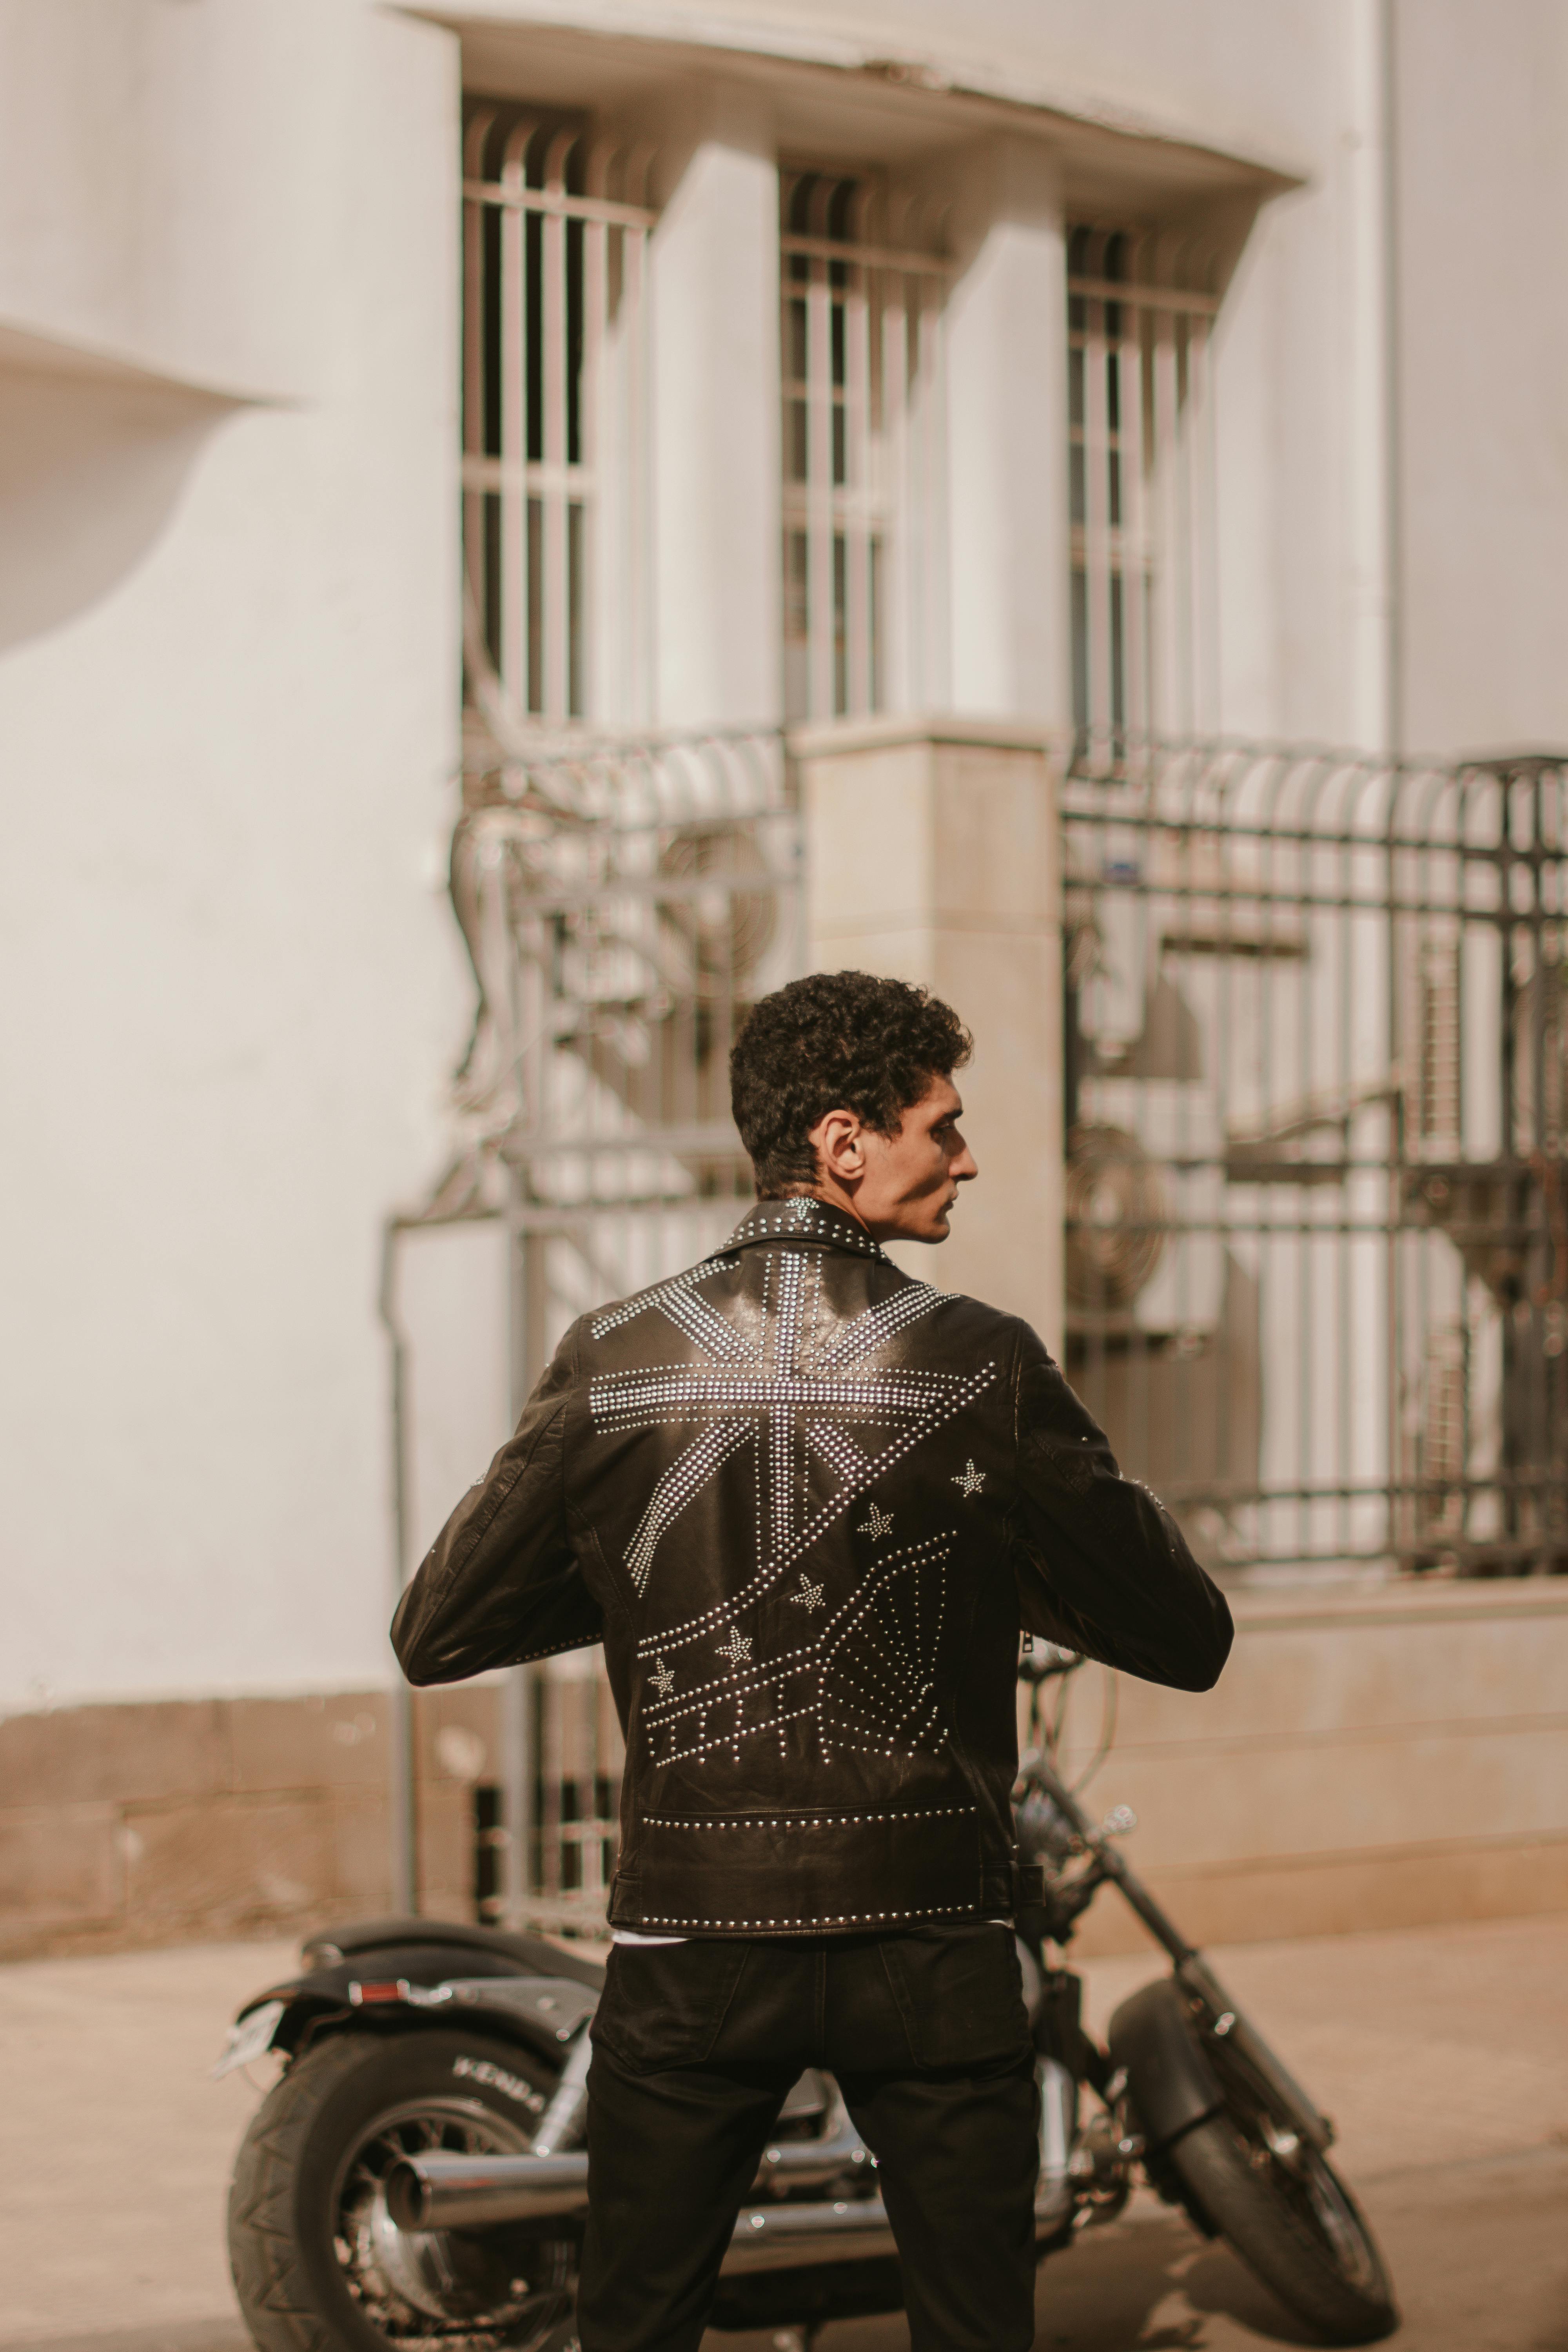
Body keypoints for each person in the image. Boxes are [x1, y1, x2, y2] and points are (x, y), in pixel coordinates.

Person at [392, 969, 1233, 2352]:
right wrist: (1001, 1557)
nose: (970, 1156)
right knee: (974, 2327)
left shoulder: (612, 1356)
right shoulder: (982, 1364)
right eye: (942, 1126)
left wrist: (647, 1577)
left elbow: (443, 1626)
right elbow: (1183, 1633)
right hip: (932, 1923)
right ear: (844, 1142)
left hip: (694, 1930)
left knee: (639, 2323)